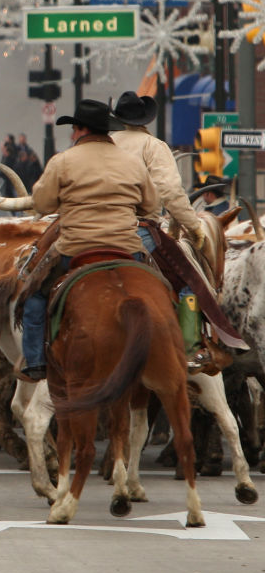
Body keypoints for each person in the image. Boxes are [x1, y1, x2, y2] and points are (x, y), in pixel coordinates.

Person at [19, 99, 158, 381]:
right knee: (165, 287)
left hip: (75, 248)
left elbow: (42, 204)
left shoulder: (63, 161)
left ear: (81, 129)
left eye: (74, 129)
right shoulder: (132, 163)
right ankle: (184, 349)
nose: (72, 134)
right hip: (126, 249)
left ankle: (35, 361)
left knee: (33, 293)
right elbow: (151, 207)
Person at [110, 90, 217, 369]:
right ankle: (191, 349)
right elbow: (170, 191)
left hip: (92, 229)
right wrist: (194, 227)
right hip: (137, 230)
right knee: (189, 282)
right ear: (145, 119)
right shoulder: (153, 146)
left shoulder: (103, 143)